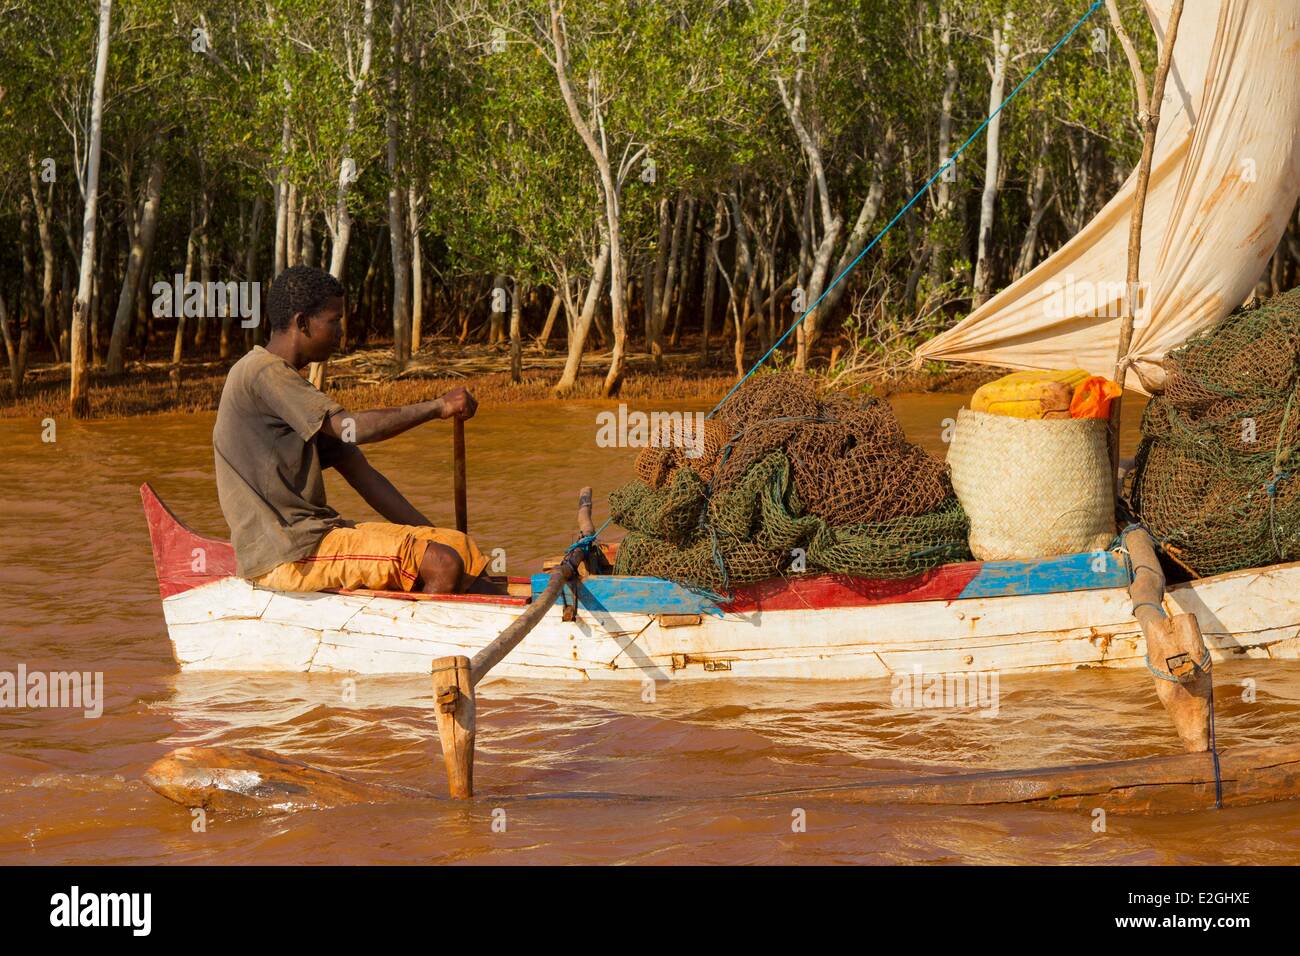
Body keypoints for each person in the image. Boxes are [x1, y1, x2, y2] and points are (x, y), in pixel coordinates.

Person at [212, 265, 493, 595]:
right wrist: (436, 407)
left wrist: (429, 536)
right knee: (442, 564)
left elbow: (364, 476)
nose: (341, 331)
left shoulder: (288, 384)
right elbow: (352, 429)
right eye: (333, 320)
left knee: (456, 549)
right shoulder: (263, 372)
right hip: (290, 552)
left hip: (318, 537)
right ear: (302, 322)